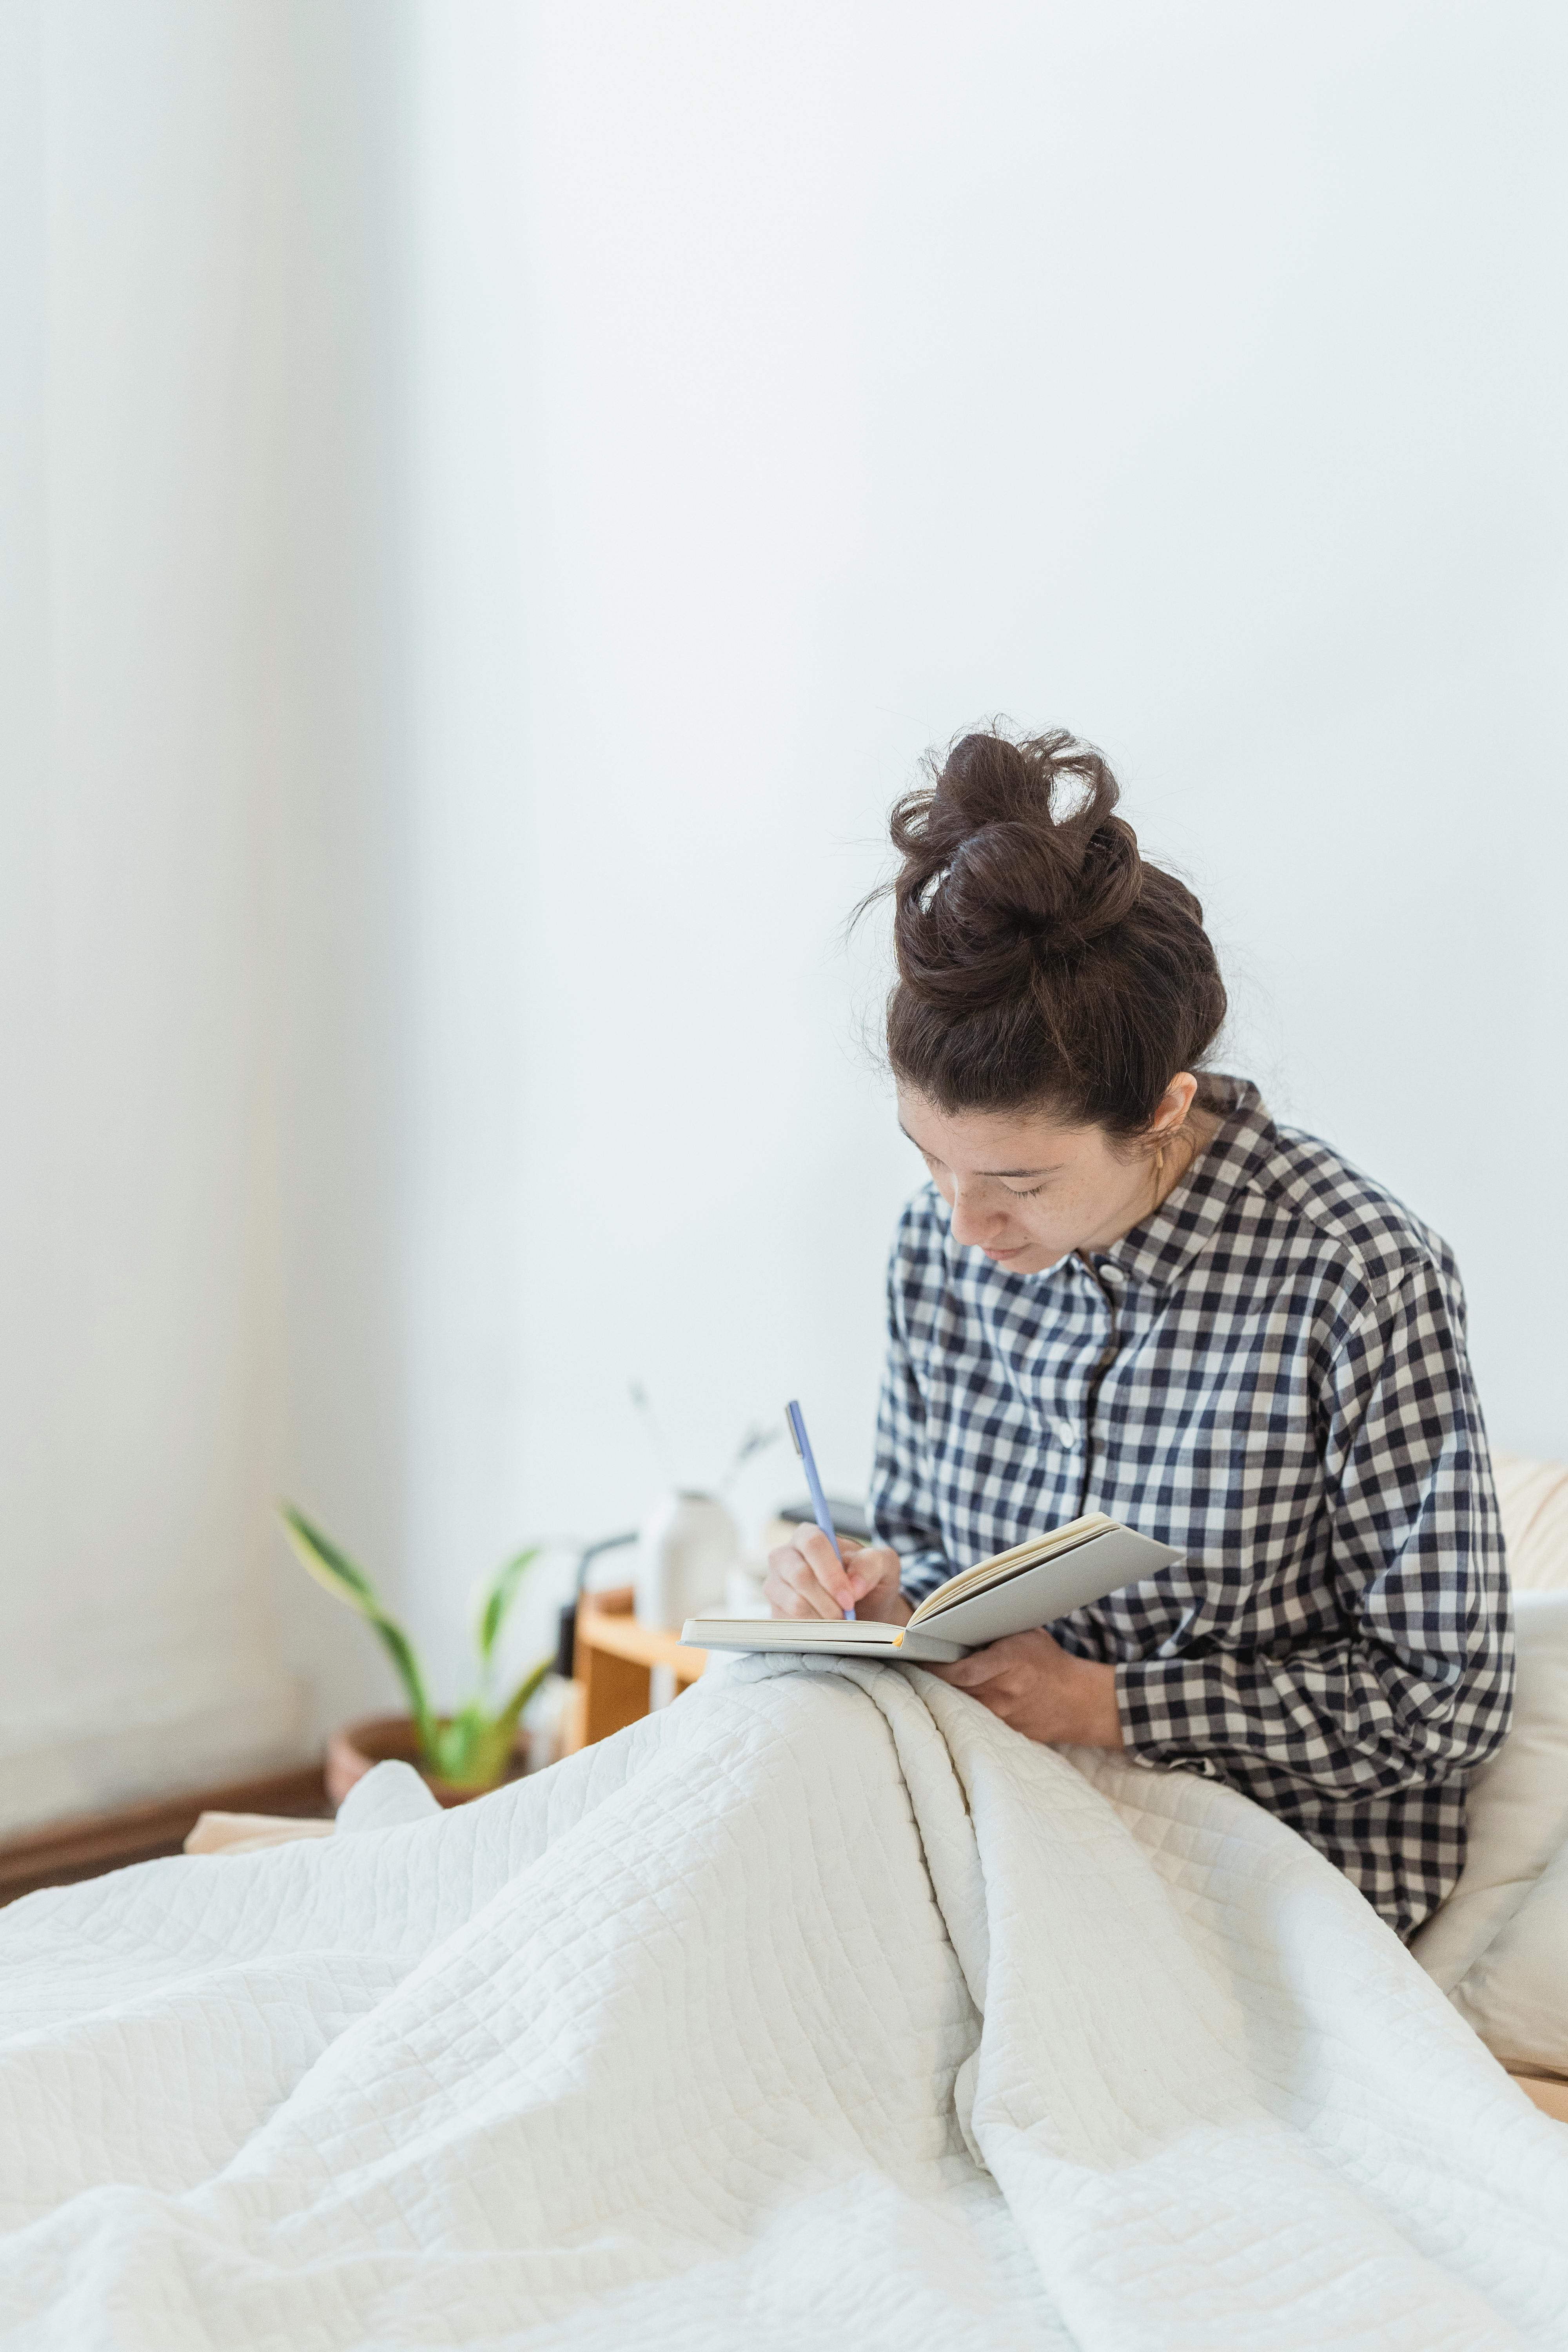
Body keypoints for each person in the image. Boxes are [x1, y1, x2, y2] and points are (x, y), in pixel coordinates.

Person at [765, 726, 1513, 1939]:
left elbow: (1442, 1705)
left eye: (1021, 1183)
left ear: (1162, 1113)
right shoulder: (937, 1246)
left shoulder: (1357, 1276)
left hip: (1271, 1852)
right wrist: (869, 1594)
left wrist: (1109, 1705)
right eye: (931, 1161)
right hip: (1000, 1796)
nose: (964, 1227)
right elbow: (926, 1547)